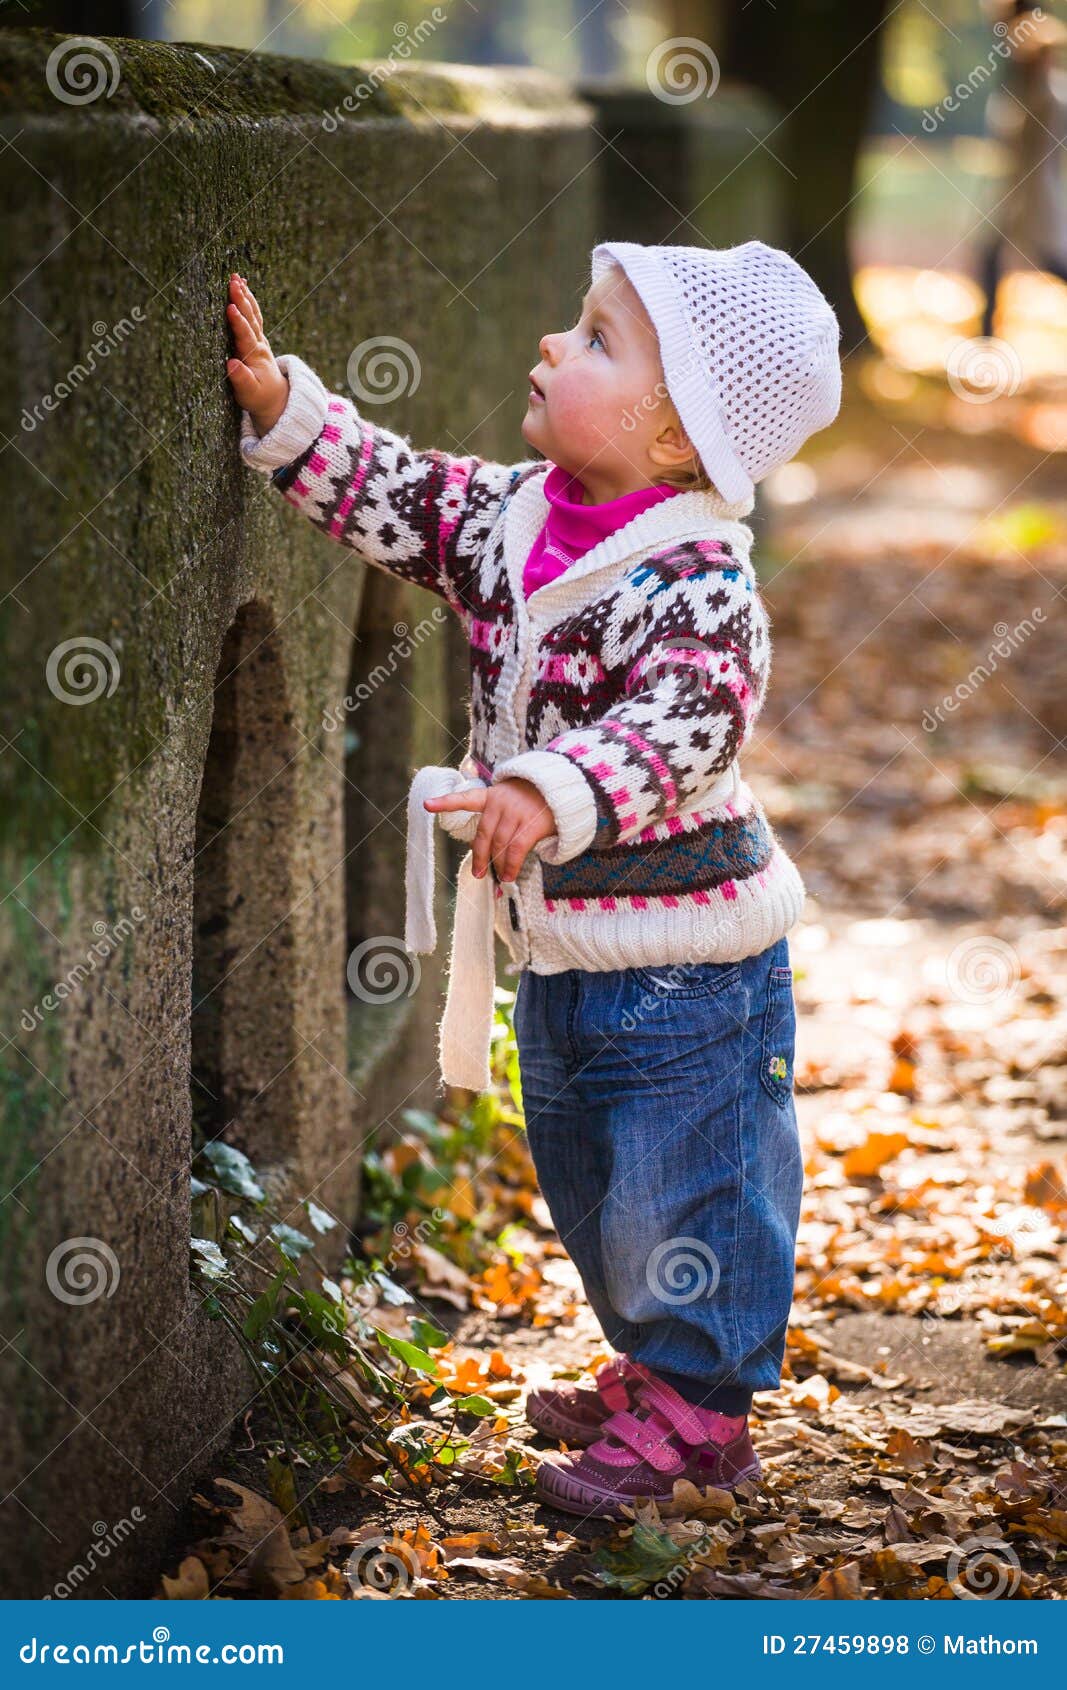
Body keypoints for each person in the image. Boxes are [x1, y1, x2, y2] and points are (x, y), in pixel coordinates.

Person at [226, 236, 841, 1518]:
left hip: (690, 970)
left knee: (689, 1177)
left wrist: (548, 787)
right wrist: (292, 415)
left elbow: (686, 726)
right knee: (589, 1174)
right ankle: (655, 1368)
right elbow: (410, 497)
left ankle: (701, 1410)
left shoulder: (697, 580)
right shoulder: (517, 515)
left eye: (599, 340)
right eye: (575, 322)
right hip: (564, 947)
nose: (555, 344)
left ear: (677, 439)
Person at [978, 1, 1067, 338]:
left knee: (1053, 262)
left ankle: (986, 333)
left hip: (1038, 197)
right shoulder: (1031, 93)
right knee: (989, 259)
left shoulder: (1051, 97)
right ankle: (986, 333)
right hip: (1017, 195)